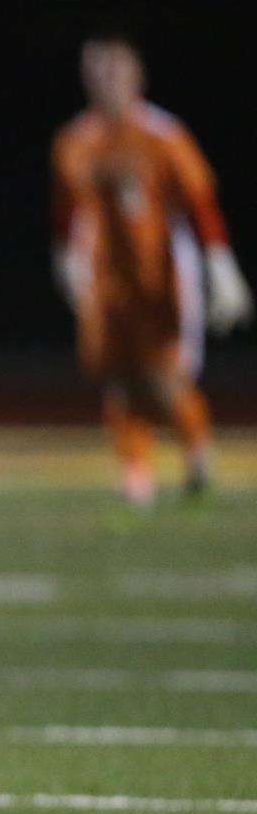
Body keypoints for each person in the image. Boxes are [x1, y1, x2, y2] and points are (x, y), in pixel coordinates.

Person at [51, 33, 252, 507]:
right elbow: (66, 210)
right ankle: (136, 477)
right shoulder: (75, 140)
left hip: (162, 275)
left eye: (113, 69)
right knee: (119, 378)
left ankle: (196, 448)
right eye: (94, 70)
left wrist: (219, 263)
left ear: (136, 74)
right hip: (107, 280)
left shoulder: (163, 135)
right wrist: (65, 258)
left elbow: (200, 201)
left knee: (163, 378)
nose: (104, 80)